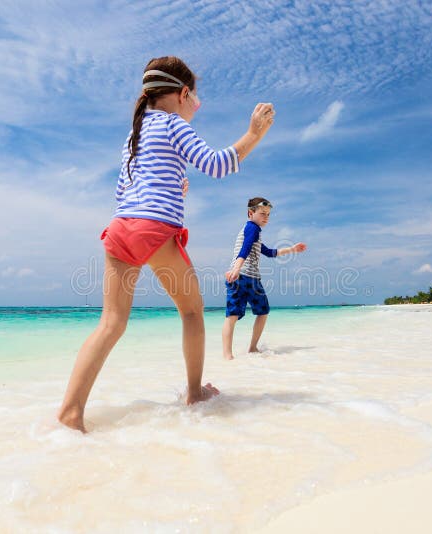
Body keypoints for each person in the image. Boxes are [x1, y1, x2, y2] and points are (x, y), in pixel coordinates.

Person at [58, 56, 275, 432]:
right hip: (155, 230)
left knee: (110, 323)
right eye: (196, 98)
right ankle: (194, 392)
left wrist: (174, 190)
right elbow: (217, 164)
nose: (198, 106)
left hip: (120, 227)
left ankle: (70, 414)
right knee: (192, 312)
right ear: (183, 93)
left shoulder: (135, 134)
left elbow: (129, 189)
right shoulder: (173, 124)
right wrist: (254, 134)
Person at [222, 197, 307, 360]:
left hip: (248, 278)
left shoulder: (253, 232)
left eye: (268, 214)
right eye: (262, 214)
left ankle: (239, 352)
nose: (266, 217)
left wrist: (292, 249)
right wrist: (236, 268)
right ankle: (240, 351)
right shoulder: (252, 229)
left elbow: (268, 252)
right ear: (250, 213)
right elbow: (245, 248)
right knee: (241, 315)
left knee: (247, 314)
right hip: (242, 277)